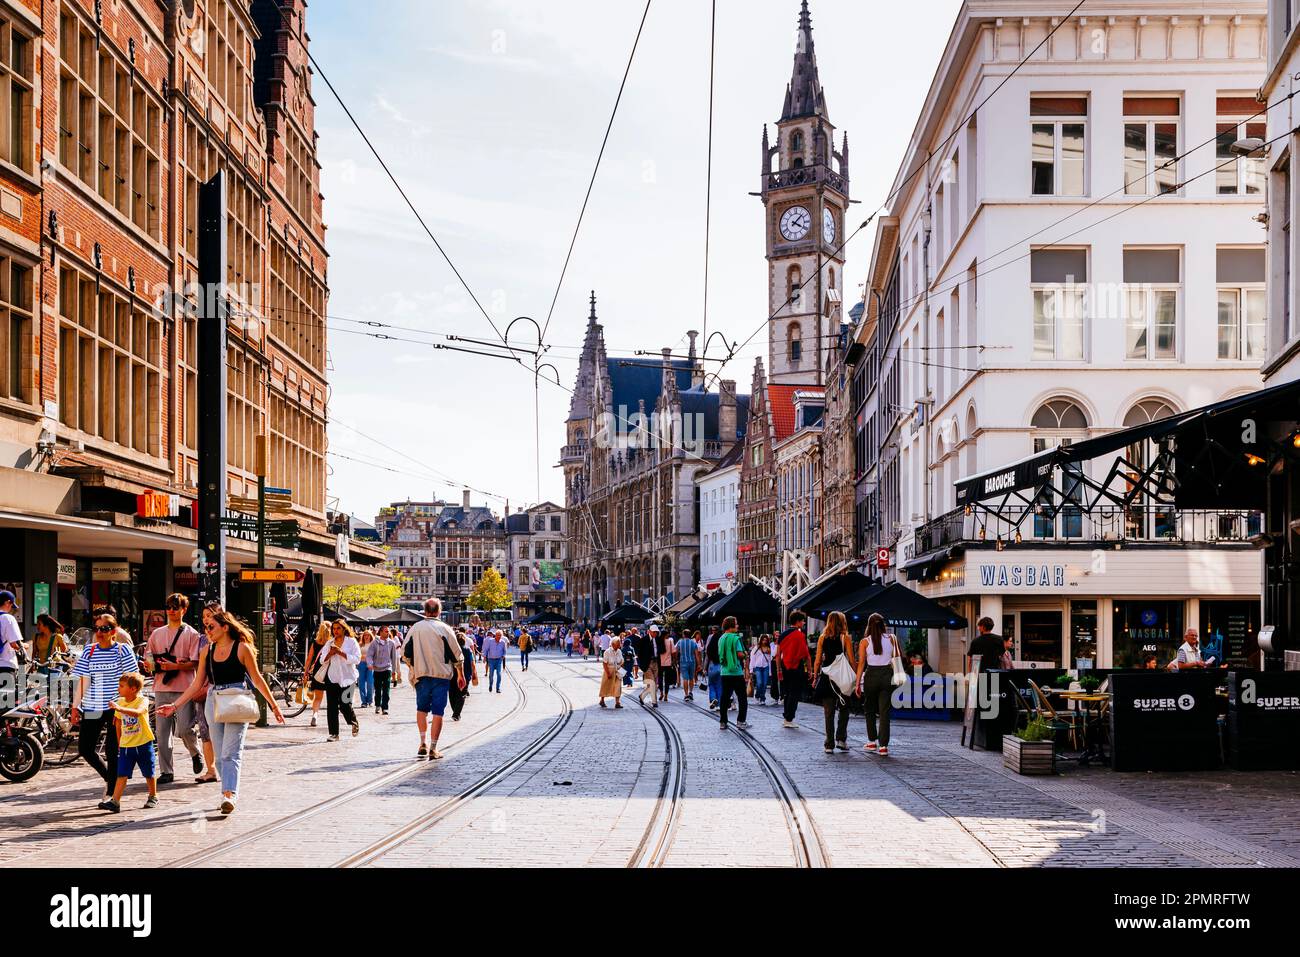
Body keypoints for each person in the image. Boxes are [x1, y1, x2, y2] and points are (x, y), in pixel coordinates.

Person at [159, 609, 284, 815]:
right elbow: (196, 684)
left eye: (211, 626)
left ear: (225, 627)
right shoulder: (206, 650)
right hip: (214, 701)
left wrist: (274, 705)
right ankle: (226, 791)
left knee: (230, 752)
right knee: (218, 757)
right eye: (206, 627)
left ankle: (229, 794)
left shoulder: (242, 648)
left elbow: (258, 679)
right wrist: (174, 706)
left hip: (237, 700)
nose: (207, 630)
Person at [70, 613, 139, 803]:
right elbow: (84, 680)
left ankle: (111, 794)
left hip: (116, 707)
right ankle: (110, 779)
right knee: (85, 748)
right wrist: (75, 707)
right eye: (97, 628)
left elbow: (133, 679)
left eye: (104, 628)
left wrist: (130, 705)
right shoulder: (89, 651)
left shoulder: (122, 650)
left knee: (112, 749)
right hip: (93, 706)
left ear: (113, 631)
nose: (99, 632)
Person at [142, 593, 203, 785]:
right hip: (161, 685)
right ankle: (167, 771)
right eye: (168, 607)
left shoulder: (192, 634)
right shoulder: (157, 634)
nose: (171, 610)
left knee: (185, 727)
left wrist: (175, 666)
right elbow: (148, 657)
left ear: (184, 610)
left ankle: (195, 752)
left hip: (185, 687)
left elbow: (195, 663)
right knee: (162, 732)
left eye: (175, 607)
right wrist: (149, 665)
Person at [402, 598, 466, 759]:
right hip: (441, 675)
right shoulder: (445, 628)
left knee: (421, 709)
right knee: (438, 712)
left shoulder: (416, 628)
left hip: (422, 675)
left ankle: (422, 742)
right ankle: (433, 747)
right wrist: (460, 674)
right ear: (438, 611)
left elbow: (404, 652)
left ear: (425, 611)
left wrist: (413, 667)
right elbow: (457, 654)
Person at [99, 672, 157, 813]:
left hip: (143, 743)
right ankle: (115, 801)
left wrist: (119, 709)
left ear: (133, 689)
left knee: (149, 772)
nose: (118, 688)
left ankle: (153, 795)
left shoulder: (142, 700)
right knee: (122, 774)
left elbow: (138, 712)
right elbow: (118, 723)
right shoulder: (120, 701)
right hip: (126, 746)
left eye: (121, 686)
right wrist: (120, 741)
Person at [854, 613, 901, 757]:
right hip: (887, 675)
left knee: (869, 709)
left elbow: (861, 664)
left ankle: (872, 741)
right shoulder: (892, 639)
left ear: (868, 625)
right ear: (883, 625)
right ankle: (884, 746)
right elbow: (897, 658)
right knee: (884, 711)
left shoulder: (864, 642)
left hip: (871, 676)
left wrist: (857, 683)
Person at [812, 612, 856, 754]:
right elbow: (851, 659)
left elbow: (818, 660)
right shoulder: (845, 638)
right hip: (842, 677)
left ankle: (829, 744)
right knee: (844, 708)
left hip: (827, 676)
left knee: (828, 712)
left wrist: (814, 677)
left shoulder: (822, 638)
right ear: (842, 622)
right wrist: (856, 675)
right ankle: (841, 740)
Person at [314, 619, 361, 741]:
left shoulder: (351, 642)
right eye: (334, 628)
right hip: (332, 677)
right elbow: (322, 660)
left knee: (345, 705)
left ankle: (353, 721)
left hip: (349, 678)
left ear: (344, 629)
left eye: (338, 628)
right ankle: (334, 734)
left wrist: (341, 653)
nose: (335, 631)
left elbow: (357, 659)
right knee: (332, 706)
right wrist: (330, 653)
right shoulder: (329, 643)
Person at [775, 613, 811, 728]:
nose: (804, 623)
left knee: (787, 692)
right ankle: (789, 718)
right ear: (798, 621)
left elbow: (777, 654)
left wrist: (778, 669)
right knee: (794, 693)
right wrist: (810, 670)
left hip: (785, 666)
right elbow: (806, 654)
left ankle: (787, 717)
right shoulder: (800, 635)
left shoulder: (782, 635)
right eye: (803, 621)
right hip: (797, 667)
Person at [717, 617, 750, 730]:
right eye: (736, 624)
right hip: (736, 672)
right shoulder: (735, 638)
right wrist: (746, 654)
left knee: (725, 697)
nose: (737, 626)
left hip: (724, 672)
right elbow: (740, 654)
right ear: (731, 626)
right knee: (742, 697)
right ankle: (741, 721)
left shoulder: (721, 638)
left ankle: (723, 722)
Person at [367, 626, 401, 714]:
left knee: (386, 689)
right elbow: (370, 654)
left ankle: (385, 707)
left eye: (388, 631)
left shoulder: (391, 643)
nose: (388, 633)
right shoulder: (374, 643)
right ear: (381, 632)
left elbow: (393, 658)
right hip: (377, 670)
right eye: (386, 631)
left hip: (387, 669)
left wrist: (394, 671)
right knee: (378, 689)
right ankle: (378, 704)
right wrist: (370, 664)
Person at [303, 624, 329, 728]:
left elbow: (309, 659)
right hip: (330, 670)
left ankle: (315, 715)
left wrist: (306, 672)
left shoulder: (315, 643)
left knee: (318, 697)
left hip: (318, 671)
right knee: (332, 697)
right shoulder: (332, 643)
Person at [448, 629, 478, 722]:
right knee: (462, 694)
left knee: (452, 693)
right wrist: (474, 673)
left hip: (452, 675)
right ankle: (456, 714)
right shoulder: (468, 650)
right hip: (465, 674)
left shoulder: (451, 650)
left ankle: (455, 712)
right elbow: (472, 663)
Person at [29, 613, 69, 677]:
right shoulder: (36, 637)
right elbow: (34, 652)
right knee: (42, 686)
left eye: (39, 624)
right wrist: (32, 665)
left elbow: (65, 652)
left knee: (53, 686)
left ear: (46, 625)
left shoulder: (57, 637)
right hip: (41, 667)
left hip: (54, 667)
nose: (37, 626)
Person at [0, 589, 23, 683]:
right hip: (5, 664)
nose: (11, 608)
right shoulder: (9, 618)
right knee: (6, 697)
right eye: (11, 605)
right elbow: (14, 644)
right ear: (7, 602)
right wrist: (22, 647)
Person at [633, 626, 659, 707]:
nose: (656, 633)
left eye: (656, 632)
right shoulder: (643, 640)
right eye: (654, 632)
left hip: (656, 663)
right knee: (652, 683)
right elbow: (639, 653)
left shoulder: (657, 639)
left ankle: (642, 696)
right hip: (647, 664)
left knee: (653, 684)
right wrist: (642, 666)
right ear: (650, 631)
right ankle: (654, 701)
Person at [599, 634, 625, 709]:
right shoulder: (607, 651)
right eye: (618, 644)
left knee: (618, 687)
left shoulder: (619, 651)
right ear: (613, 644)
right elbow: (604, 663)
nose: (619, 645)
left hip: (618, 670)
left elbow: (622, 661)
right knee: (606, 686)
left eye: (619, 644)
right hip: (609, 670)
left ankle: (617, 702)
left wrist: (622, 671)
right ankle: (602, 700)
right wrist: (608, 673)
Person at [749, 634, 773, 707]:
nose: (764, 641)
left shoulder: (769, 648)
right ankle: (757, 695)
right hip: (758, 667)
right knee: (759, 683)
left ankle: (762, 699)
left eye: (766, 640)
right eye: (763, 640)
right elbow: (752, 658)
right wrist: (751, 669)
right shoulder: (756, 648)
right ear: (761, 640)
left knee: (765, 684)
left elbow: (769, 660)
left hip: (766, 667)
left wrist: (770, 671)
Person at [676, 630, 700, 702]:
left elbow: (676, 652)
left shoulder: (680, 642)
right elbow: (696, 655)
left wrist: (674, 660)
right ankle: (691, 692)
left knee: (685, 679)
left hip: (683, 662)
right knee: (691, 678)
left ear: (683, 635)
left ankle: (686, 695)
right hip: (692, 662)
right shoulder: (693, 643)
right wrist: (699, 664)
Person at [704, 627, 723, 710]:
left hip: (711, 666)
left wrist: (704, 668)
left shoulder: (710, 648)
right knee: (719, 685)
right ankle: (718, 704)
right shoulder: (722, 646)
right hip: (720, 666)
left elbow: (707, 658)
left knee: (711, 684)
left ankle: (713, 699)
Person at [482, 629, 507, 693]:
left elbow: (505, 651)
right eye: (497, 635)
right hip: (491, 660)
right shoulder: (490, 641)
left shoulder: (503, 642)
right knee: (491, 674)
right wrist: (484, 657)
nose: (499, 637)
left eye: (500, 635)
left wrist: (503, 656)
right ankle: (490, 685)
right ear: (495, 635)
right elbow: (486, 650)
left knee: (499, 674)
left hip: (499, 660)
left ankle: (498, 688)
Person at [356, 630, 375, 709]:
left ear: (371, 636)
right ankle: (363, 701)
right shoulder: (359, 645)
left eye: (368, 635)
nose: (366, 636)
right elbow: (356, 655)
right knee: (361, 684)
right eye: (365, 635)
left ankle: (370, 701)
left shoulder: (373, 645)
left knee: (370, 683)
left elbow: (375, 655)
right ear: (363, 636)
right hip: (361, 665)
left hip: (371, 665)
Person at [657, 628, 677, 702]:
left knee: (660, 679)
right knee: (667, 680)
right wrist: (674, 661)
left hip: (660, 663)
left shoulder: (658, 641)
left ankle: (661, 693)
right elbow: (673, 652)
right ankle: (666, 696)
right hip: (668, 663)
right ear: (666, 635)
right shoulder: (670, 641)